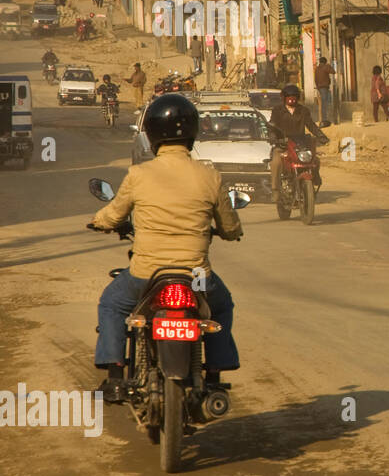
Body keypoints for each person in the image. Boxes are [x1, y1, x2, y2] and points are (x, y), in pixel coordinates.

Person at [89, 94, 243, 402]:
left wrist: (100, 221)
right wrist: (231, 232)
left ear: (152, 133)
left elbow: (114, 214)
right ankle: (214, 374)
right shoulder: (210, 176)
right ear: (193, 132)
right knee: (221, 306)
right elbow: (229, 225)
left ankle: (116, 375)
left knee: (111, 304)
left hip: (146, 275)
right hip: (197, 278)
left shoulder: (139, 174)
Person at [268, 83, 327, 196]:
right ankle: (275, 190)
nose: (292, 99)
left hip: (300, 145)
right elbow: (272, 125)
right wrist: (273, 137)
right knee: (275, 163)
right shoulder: (277, 110)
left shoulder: (303, 111)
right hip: (283, 145)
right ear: (284, 98)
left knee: (315, 160)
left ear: (298, 97)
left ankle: (314, 180)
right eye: (289, 96)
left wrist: (321, 136)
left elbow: (311, 125)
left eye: (294, 96)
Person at [313, 55, 335, 127]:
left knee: (323, 104)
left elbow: (315, 79)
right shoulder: (325, 67)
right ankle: (324, 120)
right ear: (325, 62)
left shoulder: (317, 69)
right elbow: (333, 72)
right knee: (325, 104)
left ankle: (324, 120)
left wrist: (318, 87)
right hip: (324, 88)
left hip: (319, 88)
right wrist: (329, 66)